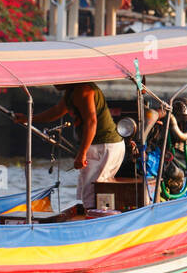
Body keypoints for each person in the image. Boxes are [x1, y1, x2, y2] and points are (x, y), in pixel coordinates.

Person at [15, 82, 126, 211]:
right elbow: (56, 111)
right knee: (88, 190)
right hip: (104, 146)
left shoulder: (83, 90)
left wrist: (82, 153)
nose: (54, 84)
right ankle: (91, 216)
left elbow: (91, 122)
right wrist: (28, 118)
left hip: (103, 146)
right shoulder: (71, 92)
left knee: (91, 193)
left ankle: (91, 222)